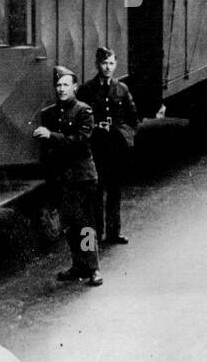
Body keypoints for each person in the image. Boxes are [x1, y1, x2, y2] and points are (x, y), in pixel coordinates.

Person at [34, 66, 102, 286]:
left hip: (82, 178)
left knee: (86, 225)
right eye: (58, 85)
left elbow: (80, 142)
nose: (61, 89)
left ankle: (93, 268)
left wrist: (51, 135)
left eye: (65, 85)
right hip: (63, 179)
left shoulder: (84, 111)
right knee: (70, 225)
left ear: (74, 87)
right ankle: (77, 265)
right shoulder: (50, 113)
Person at [77, 47, 138, 246]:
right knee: (96, 191)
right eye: (104, 63)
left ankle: (114, 233)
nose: (108, 67)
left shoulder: (122, 89)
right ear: (97, 65)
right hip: (96, 146)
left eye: (111, 63)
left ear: (116, 64)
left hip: (115, 147)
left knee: (114, 190)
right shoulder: (87, 89)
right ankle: (97, 234)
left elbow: (132, 118)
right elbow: (81, 118)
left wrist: (126, 136)